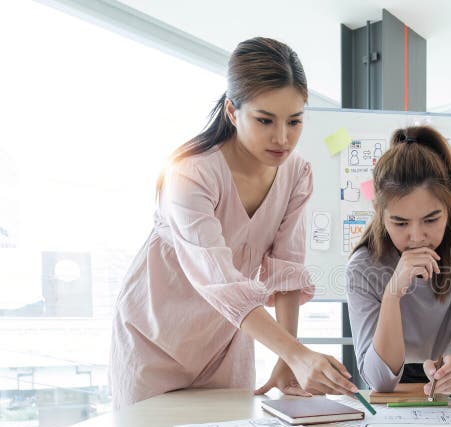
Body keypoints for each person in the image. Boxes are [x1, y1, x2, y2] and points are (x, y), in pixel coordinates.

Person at [110, 37, 357, 408]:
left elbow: (286, 269)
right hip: (154, 338)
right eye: (265, 120)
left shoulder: (297, 173)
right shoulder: (191, 174)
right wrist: (297, 354)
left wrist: (286, 358)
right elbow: (220, 280)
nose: (282, 137)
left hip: (227, 339)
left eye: (294, 121)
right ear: (232, 110)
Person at [347, 126, 451, 394]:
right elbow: (379, 380)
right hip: (393, 376)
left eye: (431, 219)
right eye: (400, 223)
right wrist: (392, 293)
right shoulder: (363, 266)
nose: (417, 237)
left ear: (449, 207)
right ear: (379, 212)